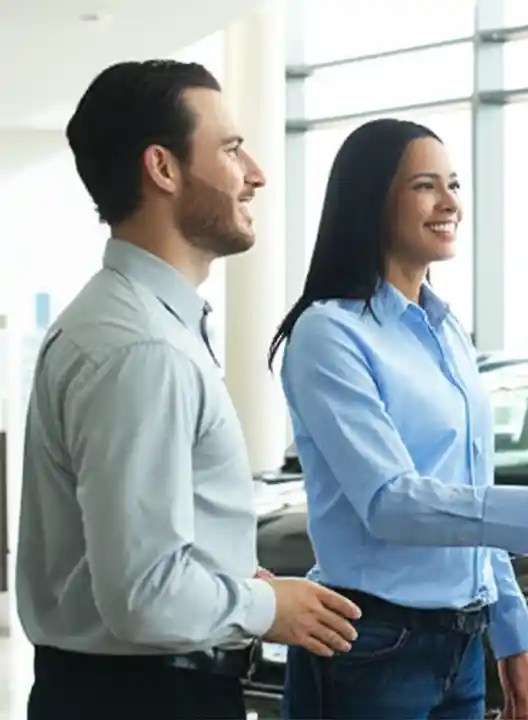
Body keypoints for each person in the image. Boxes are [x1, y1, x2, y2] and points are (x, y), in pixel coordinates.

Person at [267, 118, 528, 720]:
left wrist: (511, 633)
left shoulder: (447, 330)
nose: (451, 201)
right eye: (426, 186)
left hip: (460, 643)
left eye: (453, 184)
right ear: (373, 200)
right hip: (371, 647)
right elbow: (393, 502)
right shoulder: (328, 333)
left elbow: (470, 497)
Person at [15, 60, 364, 720]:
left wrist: (235, 585)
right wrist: (268, 608)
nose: (255, 173)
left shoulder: (139, 326)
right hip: (146, 696)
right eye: (231, 150)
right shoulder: (139, 348)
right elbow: (144, 594)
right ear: (163, 169)